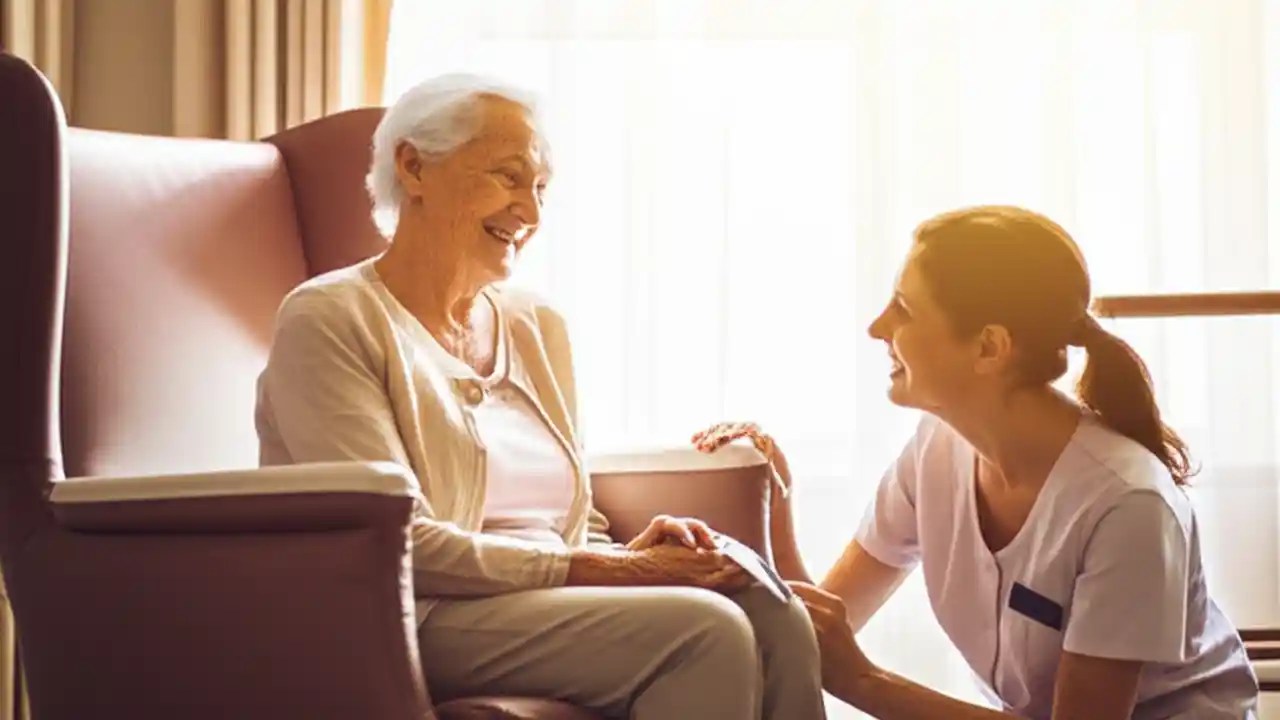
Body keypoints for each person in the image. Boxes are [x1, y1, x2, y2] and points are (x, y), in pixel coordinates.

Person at [254, 73, 826, 719]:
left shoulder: (536, 324)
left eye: (541, 189)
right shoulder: (331, 318)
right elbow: (397, 542)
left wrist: (625, 557)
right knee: (704, 632)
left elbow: (570, 523)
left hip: (530, 604)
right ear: (413, 167)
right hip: (410, 613)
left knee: (775, 614)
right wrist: (602, 572)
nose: (530, 213)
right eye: (507, 177)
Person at [695, 206, 1259, 719]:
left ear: (990, 346)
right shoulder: (936, 451)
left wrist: (865, 681)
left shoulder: (1130, 504)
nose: (877, 328)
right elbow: (820, 627)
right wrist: (774, 501)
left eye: (905, 309)